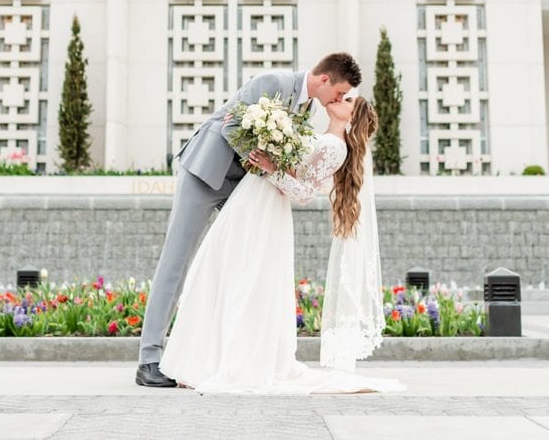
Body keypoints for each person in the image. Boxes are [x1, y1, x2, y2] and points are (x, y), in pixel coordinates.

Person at [135, 53, 360, 388]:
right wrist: (262, 159)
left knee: (237, 268)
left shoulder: (307, 107)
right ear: (324, 79)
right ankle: (149, 359)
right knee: (177, 263)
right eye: (339, 92)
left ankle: (216, 358)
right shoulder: (273, 82)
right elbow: (229, 125)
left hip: (244, 189)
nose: (339, 100)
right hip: (205, 173)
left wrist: (271, 168)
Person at [158, 94, 399, 393]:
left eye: (348, 99)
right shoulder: (320, 136)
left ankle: (228, 365)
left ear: (352, 117)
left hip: (267, 209)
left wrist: (272, 168)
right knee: (222, 269)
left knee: (246, 282)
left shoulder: (334, 148)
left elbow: (303, 193)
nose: (339, 97)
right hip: (252, 198)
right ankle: (204, 363)